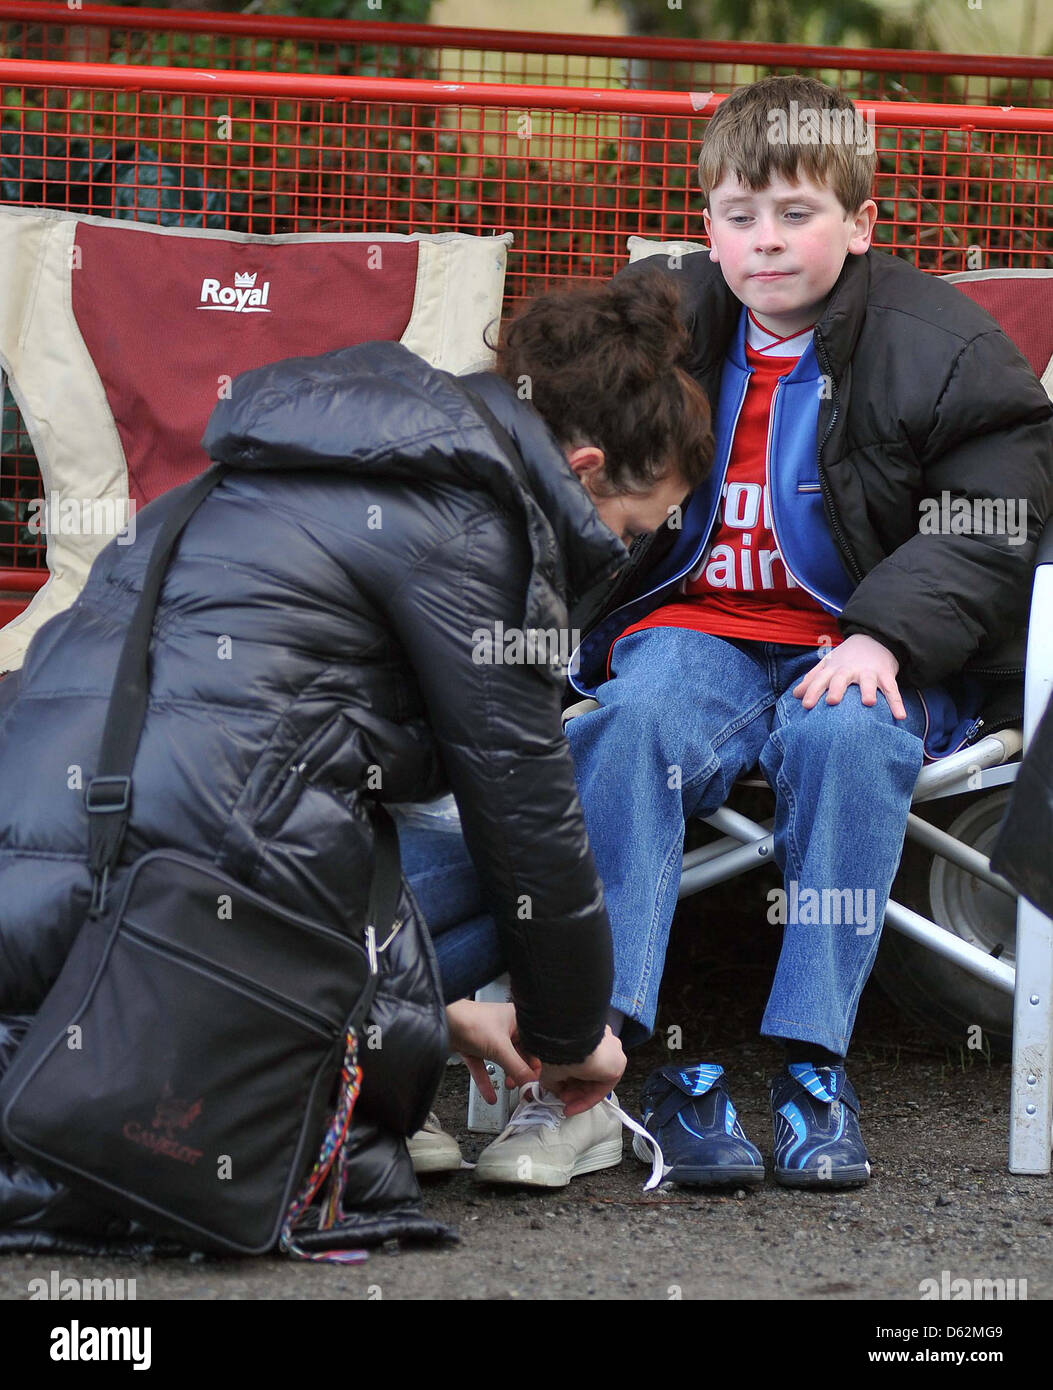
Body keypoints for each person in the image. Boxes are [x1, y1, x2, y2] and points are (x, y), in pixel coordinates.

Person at [410, 75, 1052, 1193]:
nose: (764, 243)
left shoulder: (941, 346)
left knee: (851, 733)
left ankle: (812, 1062)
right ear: (704, 221)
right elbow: (539, 446)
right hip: (690, 631)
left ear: (860, 223)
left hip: (863, 647)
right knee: (636, 713)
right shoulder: (659, 317)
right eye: (737, 215)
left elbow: (997, 521)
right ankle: (586, 1061)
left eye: (796, 215)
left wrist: (885, 636)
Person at [0, 273, 712, 1247]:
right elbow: (527, 821)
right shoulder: (475, 521)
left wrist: (449, 1016)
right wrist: (572, 1036)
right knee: (510, 853)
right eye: (633, 531)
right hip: (172, 906)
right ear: (585, 469)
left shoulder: (292, 455)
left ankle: (380, 1046)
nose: (624, 554)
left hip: (48, 869)